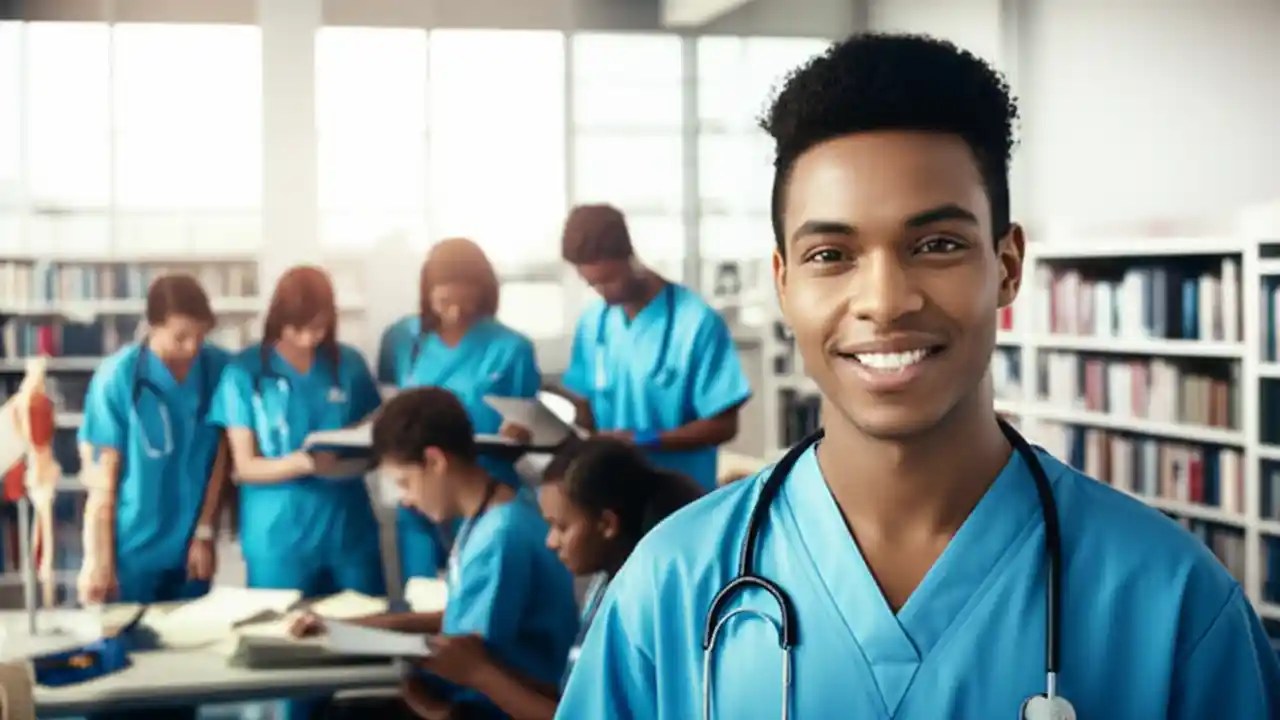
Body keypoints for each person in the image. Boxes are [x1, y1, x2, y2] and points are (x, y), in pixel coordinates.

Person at [557, 33, 1280, 719]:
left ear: (1007, 265)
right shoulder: (669, 591)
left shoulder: (1174, 605)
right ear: (783, 284)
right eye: (830, 255)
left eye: (936, 244)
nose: (884, 301)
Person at [291, 387, 578, 720]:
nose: (406, 499)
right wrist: (350, 626)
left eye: (405, 482)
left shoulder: (500, 537)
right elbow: (460, 616)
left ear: (434, 461)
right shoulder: (493, 512)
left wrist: (428, 703)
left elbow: (468, 650)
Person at [420, 438, 705, 719]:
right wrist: (484, 669)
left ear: (606, 524)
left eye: (561, 527)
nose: (550, 541)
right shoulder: (604, 585)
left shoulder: (638, 606)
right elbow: (575, 695)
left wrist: (481, 674)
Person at [210, 266, 386, 720]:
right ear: (277, 319)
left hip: (348, 531)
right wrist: (307, 462)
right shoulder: (244, 372)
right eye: (298, 328)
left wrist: (353, 449)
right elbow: (245, 466)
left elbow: (376, 436)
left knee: (369, 653)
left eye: (320, 327)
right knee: (287, 663)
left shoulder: (347, 364)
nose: (309, 338)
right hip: (279, 539)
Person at [76, 274, 233, 720]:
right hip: (131, 547)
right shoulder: (120, 377)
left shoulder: (218, 368)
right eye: (180, 336)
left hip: (189, 549)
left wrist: (205, 529)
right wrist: (101, 558)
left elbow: (222, 453)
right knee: (121, 683)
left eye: (201, 336)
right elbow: (103, 484)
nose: (192, 348)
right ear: (152, 326)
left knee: (184, 682)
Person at [376, 238, 541, 586]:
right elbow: (389, 409)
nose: (455, 312)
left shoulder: (512, 348)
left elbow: (524, 420)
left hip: (481, 490)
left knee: (478, 591)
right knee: (421, 598)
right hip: (419, 490)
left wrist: (519, 433)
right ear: (426, 294)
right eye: (444, 301)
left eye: (466, 301)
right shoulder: (402, 340)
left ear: (485, 293)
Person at [558, 204, 751, 491]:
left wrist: (644, 439)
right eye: (593, 284)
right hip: (612, 494)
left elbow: (723, 425)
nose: (603, 293)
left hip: (679, 495)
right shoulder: (593, 322)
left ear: (629, 256)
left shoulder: (696, 323)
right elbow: (584, 405)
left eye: (609, 280)